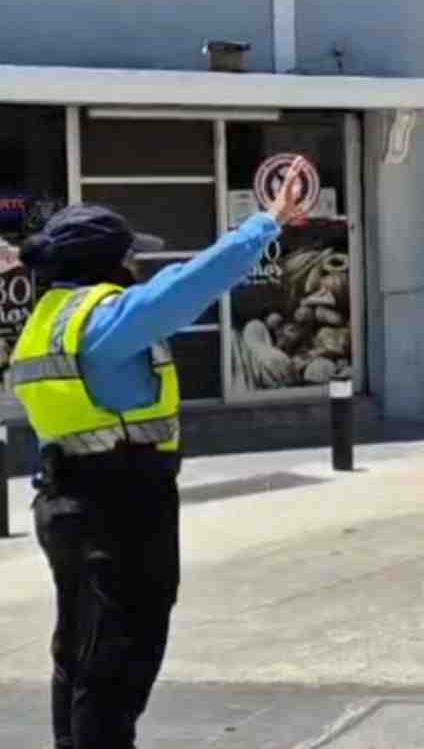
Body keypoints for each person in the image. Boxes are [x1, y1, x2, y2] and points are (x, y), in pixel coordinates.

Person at [10, 178, 304, 749]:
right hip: (120, 507)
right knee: (116, 665)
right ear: (104, 263)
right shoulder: (104, 322)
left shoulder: (47, 320)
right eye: (128, 256)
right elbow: (189, 284)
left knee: (79, 656)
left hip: (68, 500)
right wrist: (266, 222)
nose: (136, 265)